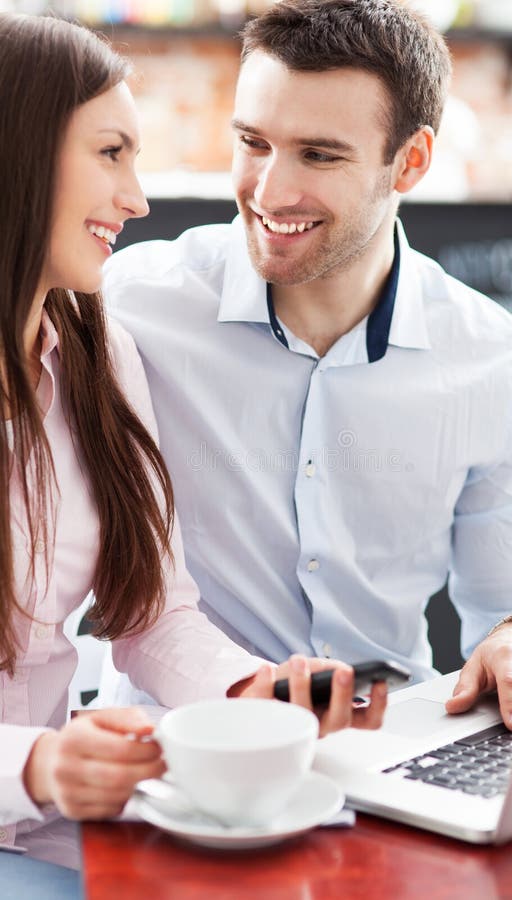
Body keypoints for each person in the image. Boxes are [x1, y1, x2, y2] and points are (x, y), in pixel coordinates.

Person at [103, 0, 512, 734]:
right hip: (180, 746)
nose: (270, 191)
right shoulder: (129, 306)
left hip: (390, 738)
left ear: (410, 161)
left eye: (319, 155)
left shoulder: (493, 358)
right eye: (253, 142)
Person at [0, 12, 385, 870]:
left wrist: (252, 690)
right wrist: (34, 764)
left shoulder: (99, 351)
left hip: (60, 837)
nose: (136, 198)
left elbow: (154, 614)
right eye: (110, 153)